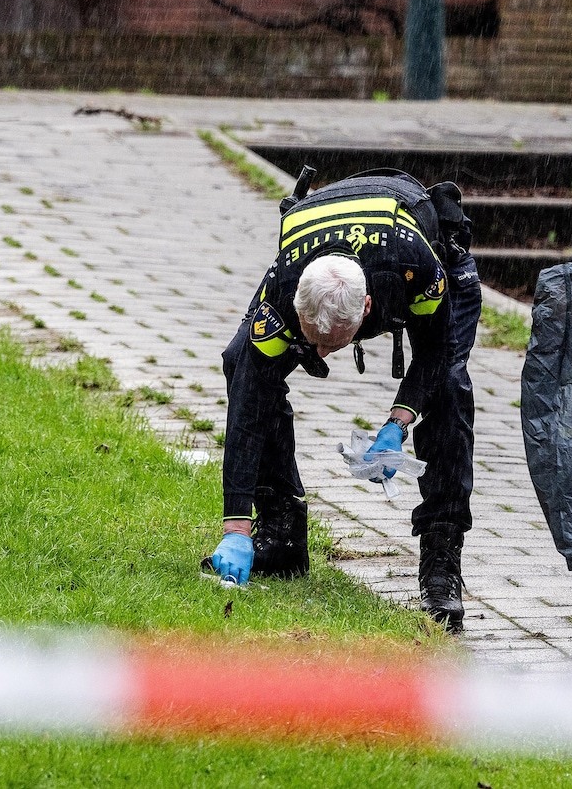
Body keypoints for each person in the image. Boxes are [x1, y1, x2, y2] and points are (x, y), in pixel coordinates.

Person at [204, 169, 482, 632]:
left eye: (334, 344)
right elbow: (250, 399)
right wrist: (236, 526)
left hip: (428, 251)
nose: (320, 355)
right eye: (312, 341)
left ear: (368, 310)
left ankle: (441, 559)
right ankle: (282, 531)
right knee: (244, 363)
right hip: (321, 250)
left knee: (449, 389)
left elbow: (435, 351)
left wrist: (399, 421)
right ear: (296, 305)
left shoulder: (414, 267)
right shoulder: (285, 283)